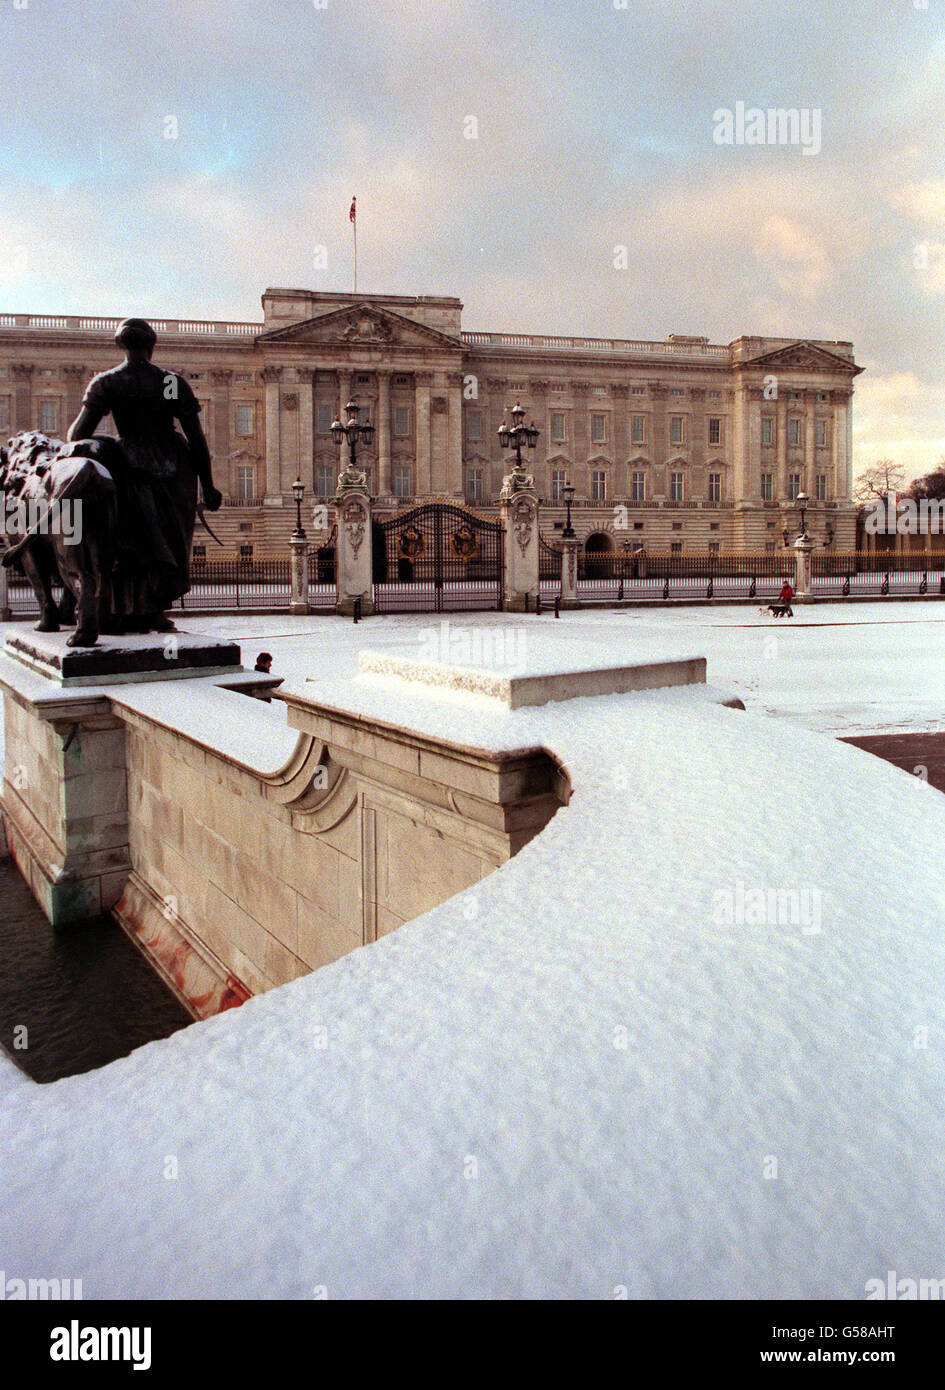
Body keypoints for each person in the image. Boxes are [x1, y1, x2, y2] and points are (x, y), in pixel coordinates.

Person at [67, 318, 223, 633]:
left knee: (128, 539)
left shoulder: (106, 381)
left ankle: (117, 612)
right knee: (166, 542)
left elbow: (77, 435)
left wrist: (107, 445)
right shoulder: (171, 382)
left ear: (121, 346)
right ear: (152, 346)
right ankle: (152, 611)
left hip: (126, 466)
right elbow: (196, 438)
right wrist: (208, 486)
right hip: (173, 470)